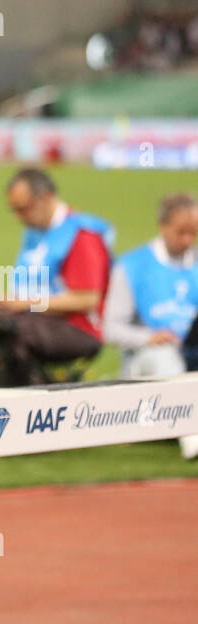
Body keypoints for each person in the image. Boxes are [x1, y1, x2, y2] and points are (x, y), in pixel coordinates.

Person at [0, 168, 113, 386]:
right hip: (35, 318)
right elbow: (31, 290)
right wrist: (4, 301)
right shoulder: (35, 232)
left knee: (3, 330)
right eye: (14, 210)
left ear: (44, 198)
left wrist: (23, 304)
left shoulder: (81, 234)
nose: (18, 217)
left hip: (79, 328)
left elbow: (86, 300)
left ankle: (21, 398)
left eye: (23, 209)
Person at [103, 192, 198, 458]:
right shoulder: (132, 266)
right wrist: (149, 337)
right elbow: (110, 329)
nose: (188, 240)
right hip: (147, 358)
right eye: (181, 232)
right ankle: (192, 436)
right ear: (163, 226)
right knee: (166, 356)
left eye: (193, 233)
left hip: (192, 351)